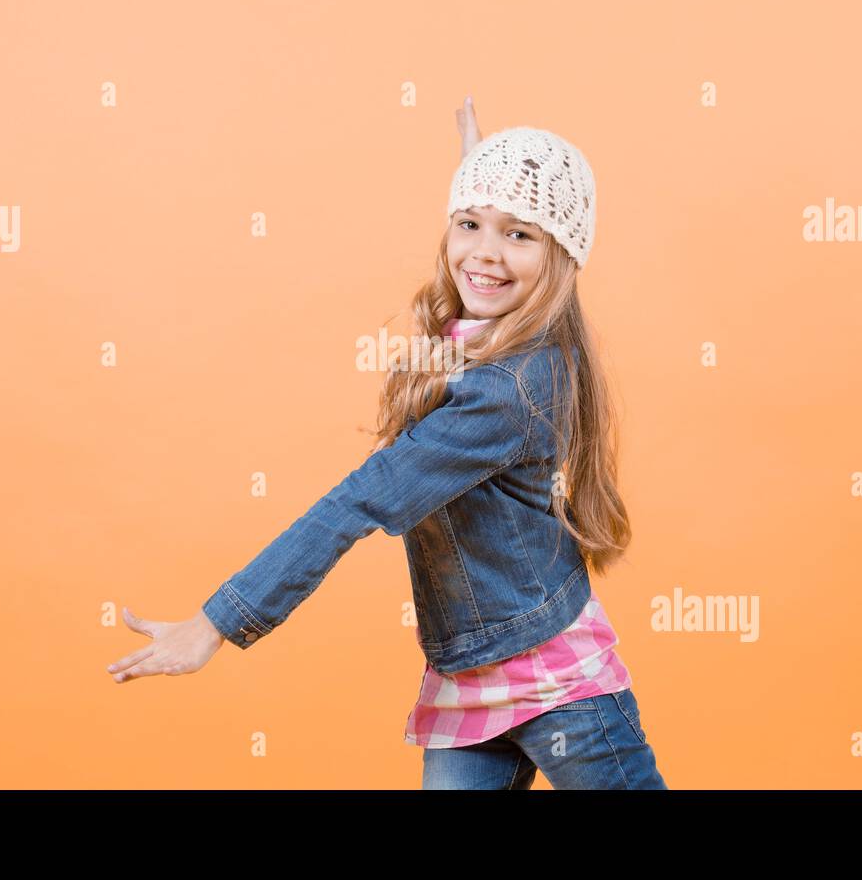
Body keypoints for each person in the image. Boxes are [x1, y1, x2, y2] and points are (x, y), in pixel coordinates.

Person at [107, 97, 667, 790]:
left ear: (562, 256)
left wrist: (216, 622)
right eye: (469, 224)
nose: (484, 253)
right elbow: (494, 255)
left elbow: (357, 501)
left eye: (520, 234)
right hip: (469, 674)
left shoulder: (508, 390)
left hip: (556, 680)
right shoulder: (507, 342)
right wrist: (479, 167)